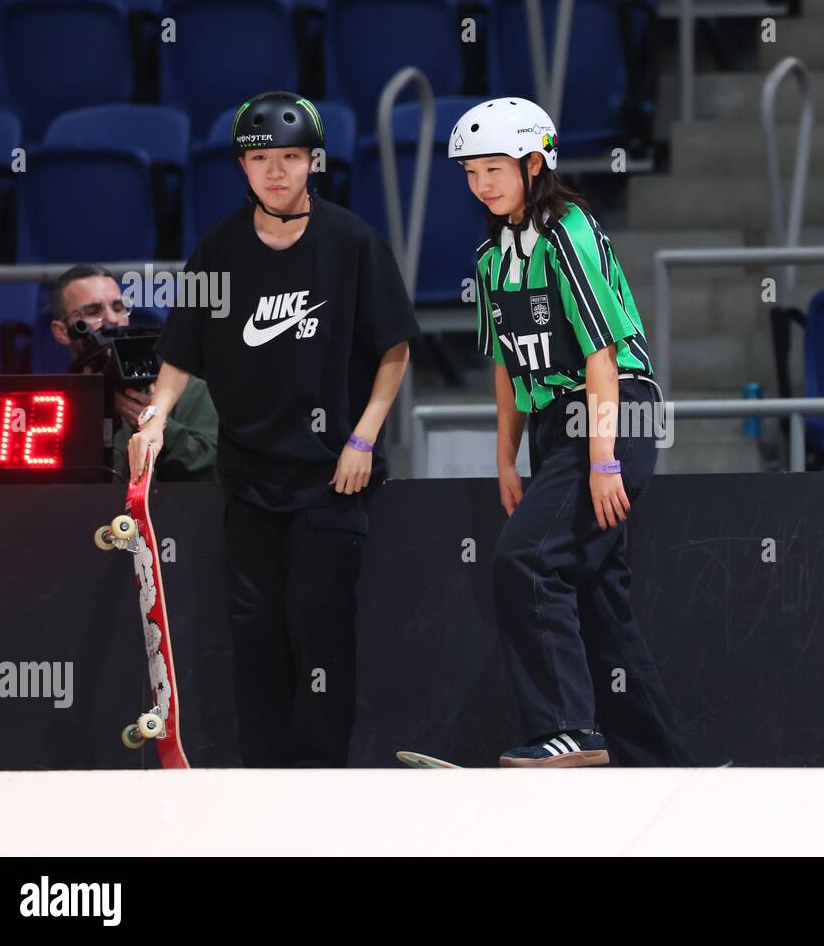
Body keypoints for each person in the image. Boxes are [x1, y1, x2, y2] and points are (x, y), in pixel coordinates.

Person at [130, 91, 420, 766]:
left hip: (331, 478)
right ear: (241, 166)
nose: (277, 171)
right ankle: (261, 780)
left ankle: (318, 780)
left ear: (313, 163)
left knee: (319, 633)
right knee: (255, 632)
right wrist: (155, 416)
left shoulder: (352, 242)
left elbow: (394, 349)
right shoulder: (218, 249)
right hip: (249, 478)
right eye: (262, 159)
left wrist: (362, 438)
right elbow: (179, 353)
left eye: (291, 158)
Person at [449, 97, 689, 767]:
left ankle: (568, 730)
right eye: (471, 173)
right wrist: (505, 460)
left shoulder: (567, 229)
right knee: (599, 603)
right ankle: (664, 768)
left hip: (615, 411)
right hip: (558, 427)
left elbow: (600, 355)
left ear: (535, 163)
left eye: (495, 169)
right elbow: (505, 367)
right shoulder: (490, 257)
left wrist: (604, 459)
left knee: (525, 560)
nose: (482, 185)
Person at [49, 264, 216, 480]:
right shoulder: (56, 403)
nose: (112, 319)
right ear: (62, 331)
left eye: (118, 308)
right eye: (93, 312)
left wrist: (158, 425)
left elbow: (215, 469)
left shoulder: (185, 391)